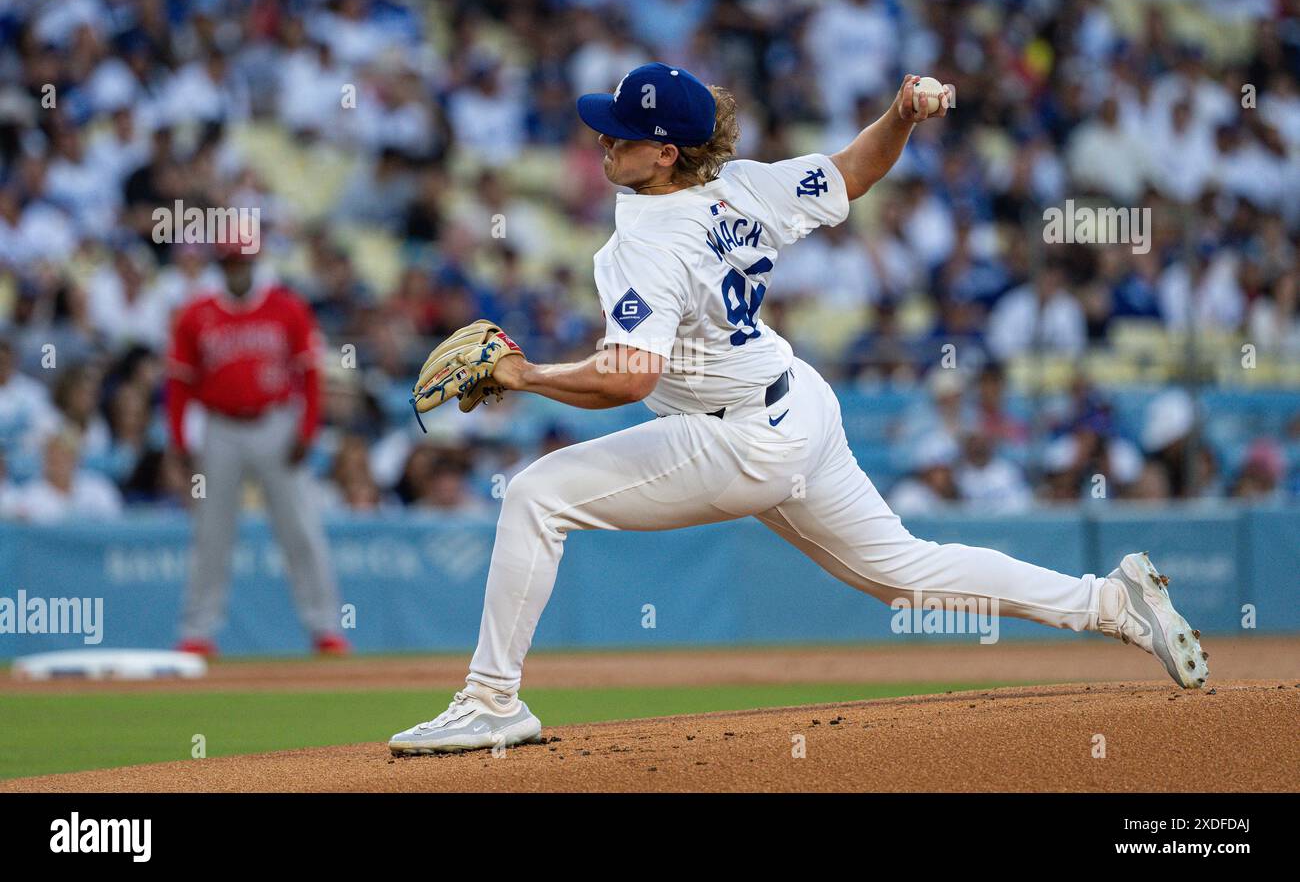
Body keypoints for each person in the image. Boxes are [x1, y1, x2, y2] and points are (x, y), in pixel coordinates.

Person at [389, 63, 1208, 755]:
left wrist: (525, 377)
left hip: (739, 438)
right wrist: (900, 115)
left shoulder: (643, 239)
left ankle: (493, 698)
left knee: (536, 494)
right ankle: (1111, 601)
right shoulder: (745, 185)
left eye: (622, 136)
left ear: (666, 153)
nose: (605, 141)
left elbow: (632, 378)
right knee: (905, 574)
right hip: (796, 406)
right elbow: (854, 171)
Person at [165, 236, 348, 657]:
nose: (236, 268)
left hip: (275, 422)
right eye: (229, 262)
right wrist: (178, 440)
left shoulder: (286, 306)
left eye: (241, 260)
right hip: (220, 426)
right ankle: (198, 631)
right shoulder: (197, 313)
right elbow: (179, 384)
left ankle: (324, 628)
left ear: (254, 260)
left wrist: (307, 429)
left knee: (300, 528)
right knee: (211, 531)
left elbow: (310, 374)